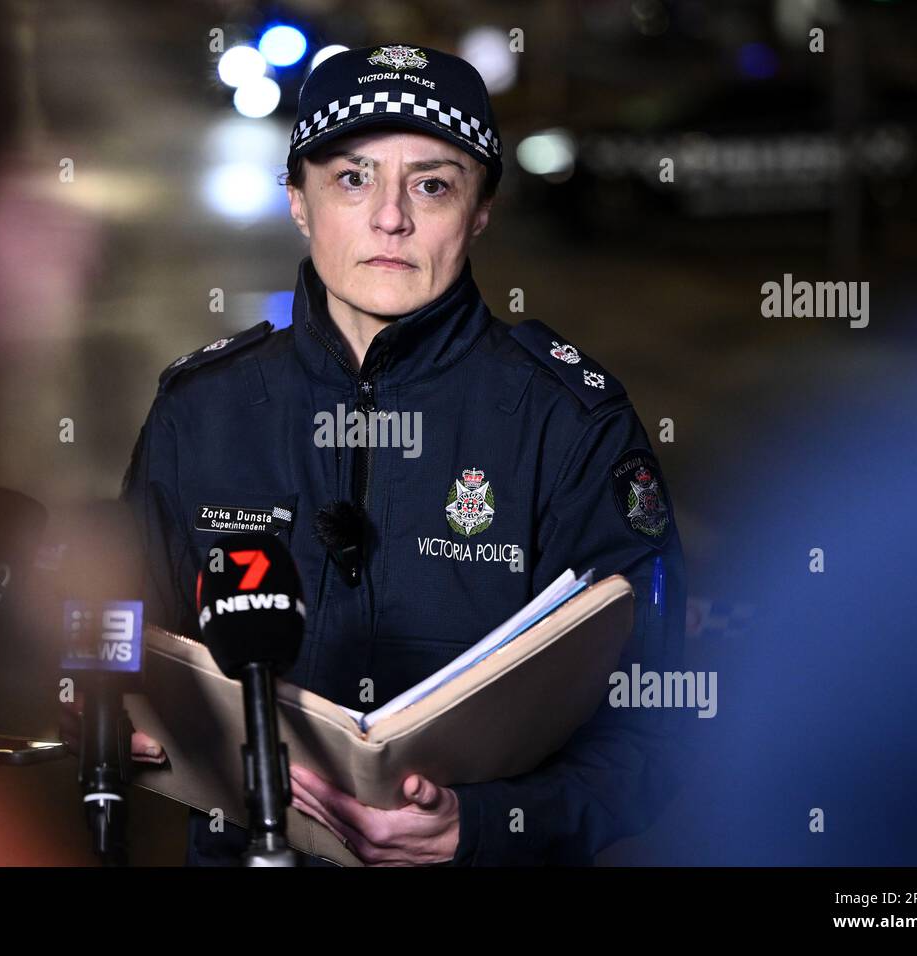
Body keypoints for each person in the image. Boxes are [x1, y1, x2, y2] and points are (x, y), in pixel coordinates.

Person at [120, 43, 687, 866]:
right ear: (298, 200)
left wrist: (487, 825)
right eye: (353, 179)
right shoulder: (198, 412)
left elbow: (656, 725)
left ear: (480, 210)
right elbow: (124, 646)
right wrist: (103, 710)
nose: (392, 218)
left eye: (432, 184)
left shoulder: (572, 425)